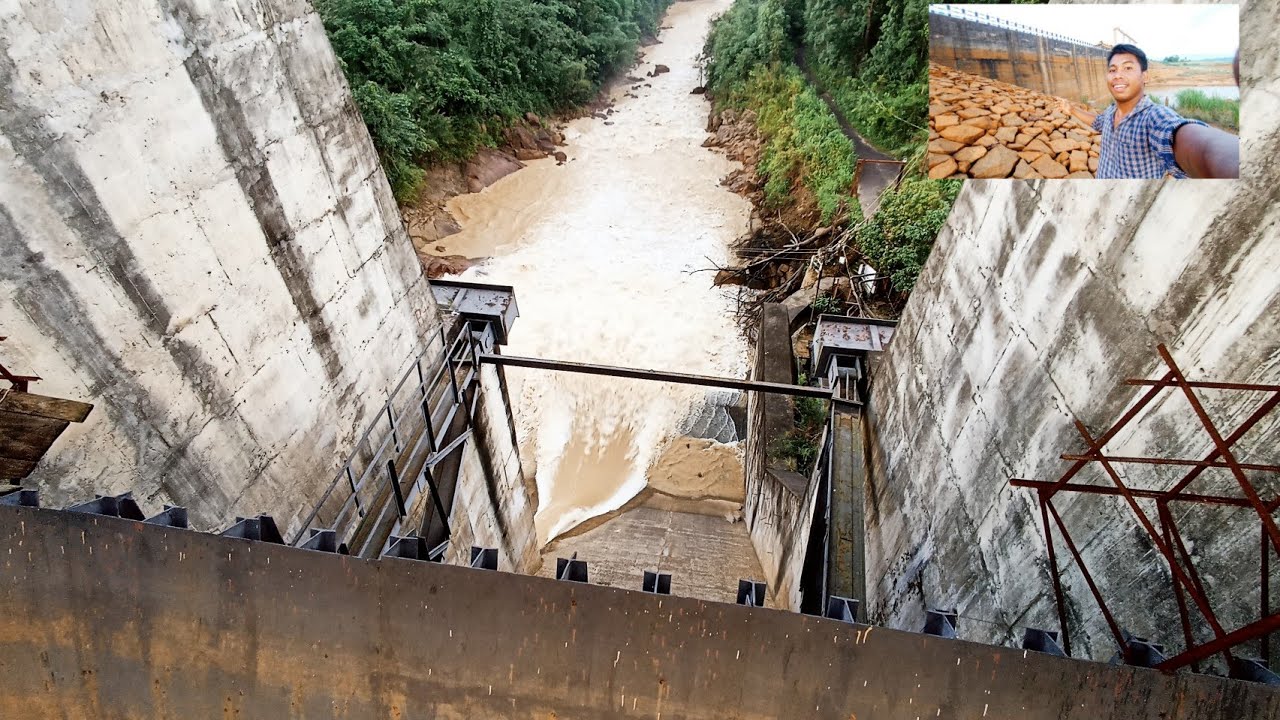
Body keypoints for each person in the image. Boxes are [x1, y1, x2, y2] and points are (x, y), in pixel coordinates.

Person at [1058, 43, 1239, 179]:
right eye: (1112, 70)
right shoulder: (1111, 111)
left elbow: (1189, 139)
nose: (1118, 75)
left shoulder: (1154, 117)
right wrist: (1071, 109)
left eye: (1128, 68)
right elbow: (1097, 121)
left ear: (1145, 76)